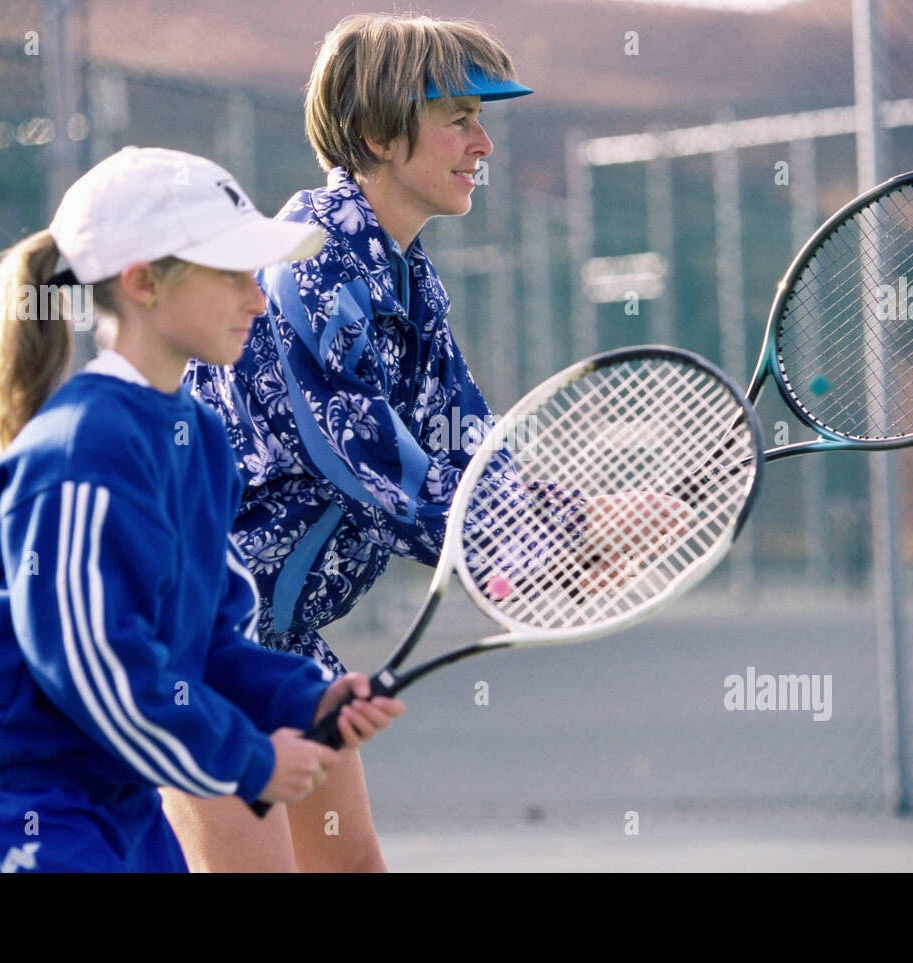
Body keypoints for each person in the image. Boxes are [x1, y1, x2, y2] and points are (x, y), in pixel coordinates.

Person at [0, 146, 404, 873]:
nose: (257, 297)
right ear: (143, 283)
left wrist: (305, 700)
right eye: (230, 274)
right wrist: (247, 758)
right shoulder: (80, 448)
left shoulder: (198, 439)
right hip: (26, 786)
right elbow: (92, 663)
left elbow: (207, 645)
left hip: (117, 785)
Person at [172, 13, 533, 872]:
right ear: (377, 132)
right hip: (197, 644)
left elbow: (466, 440)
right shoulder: (309, 271)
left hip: (275, 646)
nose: (483, 142)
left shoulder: (409, 277)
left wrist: (570, 518)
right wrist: (547, 543)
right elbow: (384, 475)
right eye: (458, 118)